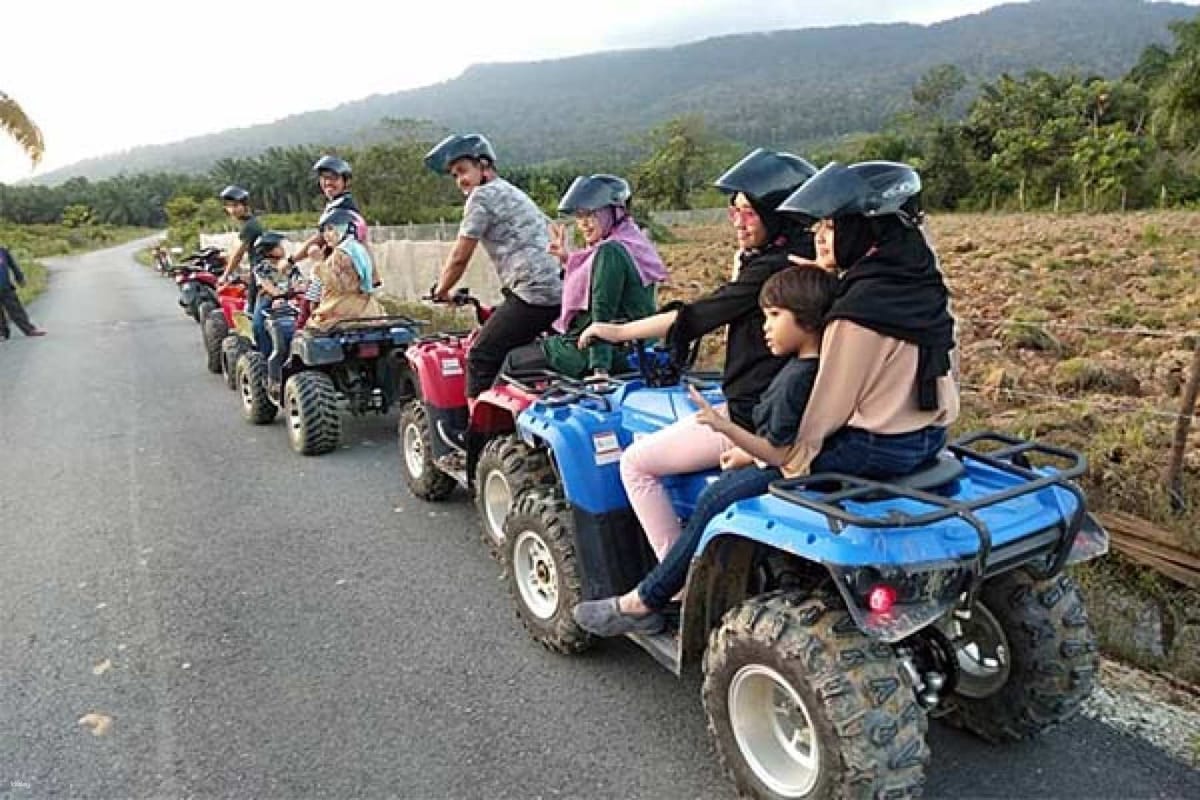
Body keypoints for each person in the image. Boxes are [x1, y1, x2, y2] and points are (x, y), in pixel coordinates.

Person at [576, 148, 817, 560]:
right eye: (733, 210)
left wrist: (617, 331)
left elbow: (702, 314)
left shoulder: (772, 270)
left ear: (777, 215)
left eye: (749, 213)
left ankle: (673, 580)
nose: (738, 222)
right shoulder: (808, 261)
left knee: (634, 464)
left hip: (755, 415)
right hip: (778, 408)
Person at [574, 266, 839, 635]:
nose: (764, 327)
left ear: (807, 318)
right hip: (778, 447)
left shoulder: (794, 378)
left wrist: (725, 428)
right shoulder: (820, 365)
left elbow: (779, 450)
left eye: (774, 316)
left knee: (696, 492)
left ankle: (657, 594)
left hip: (767, 447)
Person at [772, 160, 959, 479]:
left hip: (876, 449)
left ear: (865, 229)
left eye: (831, 227)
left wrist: (789, 458)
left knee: (734, 489)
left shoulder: (857, 312)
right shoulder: (921, 282)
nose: (818, 237)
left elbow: (829, 406)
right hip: (931, 435)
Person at [424, 133, 562, 398]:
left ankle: (477, 436)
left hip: (532, 294)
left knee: (480, 355)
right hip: (557, 289)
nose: (460, 180)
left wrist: (441, 290)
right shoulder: (512, 191)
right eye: (454, 175)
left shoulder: (481, 198)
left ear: (483, 166)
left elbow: (459, 257)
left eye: (463, 170)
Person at [500, 174, 665, 379]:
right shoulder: (633, 242)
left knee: (513, 361)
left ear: (613, 212)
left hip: (607, 351)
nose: (583, 224)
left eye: (591, 215)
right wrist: (567, 259)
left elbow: (602, 311)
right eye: (579, 216)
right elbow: (609, 284)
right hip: (637, 347)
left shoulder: (610, 251)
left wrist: (599, 369)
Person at [250, 231, 302, 355]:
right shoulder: (260, 267)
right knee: (258, 324)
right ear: (268, 252)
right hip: (269, 299)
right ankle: (266, 354)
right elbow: (267, 285)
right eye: (278, 246)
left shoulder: (289, 265)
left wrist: (299, 288)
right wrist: (278, 296)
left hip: (291, 298)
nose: (282, 248)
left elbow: (298, 280)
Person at [0, 245, 47, 340]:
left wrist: (20, 278)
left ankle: (29, 330)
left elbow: (13, 265)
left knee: (16, 309)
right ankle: (2, 333)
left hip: (6, 287)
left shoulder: (2, 251)